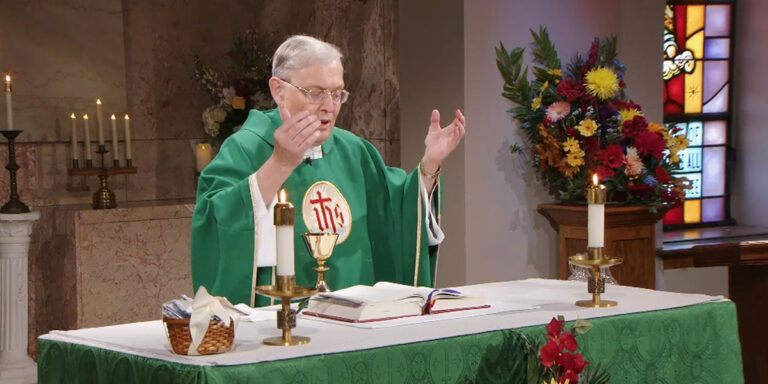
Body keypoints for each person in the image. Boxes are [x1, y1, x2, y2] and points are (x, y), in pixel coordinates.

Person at [191, 35, 465, 306]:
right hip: (278, 324)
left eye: (337, 93)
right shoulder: (247, 148)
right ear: (278, 90)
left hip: (355, 321)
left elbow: (396, 210)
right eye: (316, 93)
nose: (329, 106)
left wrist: (429, 165)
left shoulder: (354, 150)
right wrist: (281, 162)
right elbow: (215, 222)